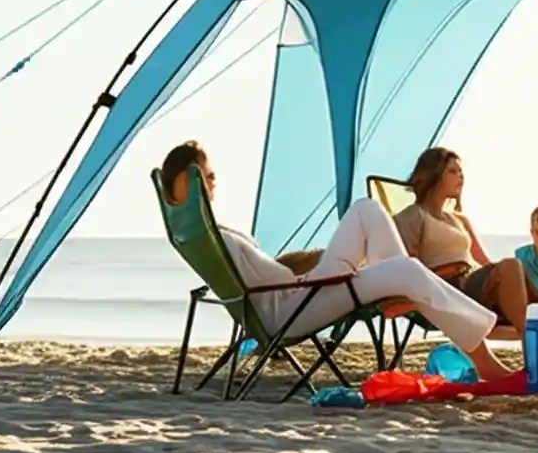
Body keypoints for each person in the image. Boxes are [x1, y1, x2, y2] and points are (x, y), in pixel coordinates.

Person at [158, 141, 513, 381]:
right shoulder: (215, 235)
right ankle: (483, 360)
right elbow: (270, 281)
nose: (213, 182)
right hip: (295, 306)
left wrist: (312, 269)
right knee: (408, 269)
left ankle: (394, 287)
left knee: (367, 209)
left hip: (301, 293)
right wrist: (306, 274)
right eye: (205, 176)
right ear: (182, 181)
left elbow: (259, 278)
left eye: (211, 176)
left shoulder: (203, 233)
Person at [393, 147, 532, 341]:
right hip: (448, 287)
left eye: (461, 172)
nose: (460, 177)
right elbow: (410, 267)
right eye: (452, 171)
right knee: (512, 267)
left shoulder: (460, 220)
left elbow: (483, 260)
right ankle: (531, 339)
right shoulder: (413, 217)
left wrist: (507, 281)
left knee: (537, 296)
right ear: (433, 174)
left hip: (471, 282)